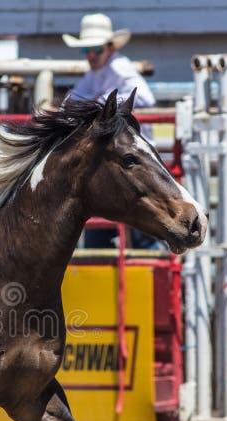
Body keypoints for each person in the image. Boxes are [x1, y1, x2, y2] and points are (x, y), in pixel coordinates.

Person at [62, 13, 161, 250]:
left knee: (143, 223)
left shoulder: (119, 66)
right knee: (111, 220)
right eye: (85, 51)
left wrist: (102, 104)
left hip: (134, 157)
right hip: (112, 159)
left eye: (95, 49)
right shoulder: (96, 73)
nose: (91, 56)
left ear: (109, 47)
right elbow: (70, 103)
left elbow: (147, 98)